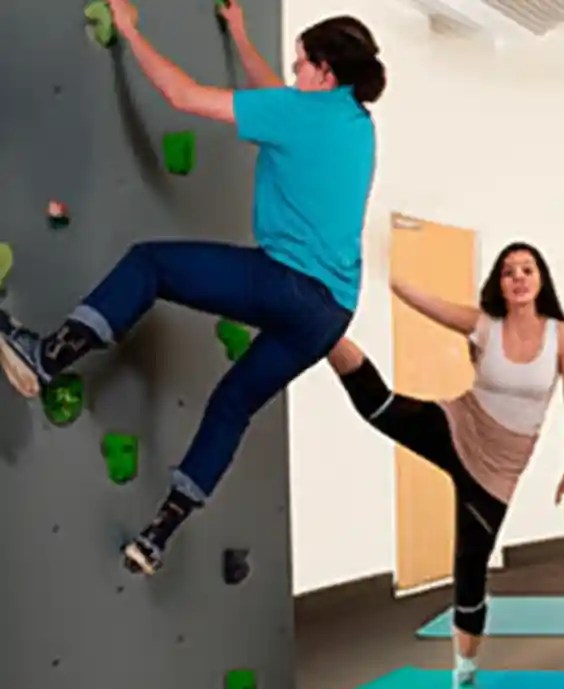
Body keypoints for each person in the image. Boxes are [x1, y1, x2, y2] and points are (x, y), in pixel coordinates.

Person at [0, 0, 383, 576]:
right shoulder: (353, 121)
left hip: (287, 284)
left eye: (302, 62)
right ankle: (158, 535)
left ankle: (49, 357)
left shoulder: (300, 112)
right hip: (331, 314)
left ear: (325, 71)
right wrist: (240, 35)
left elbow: (183, 95)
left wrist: (131, 30)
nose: (294, 70)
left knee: (150, 264)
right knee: (234, 404)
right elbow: (277, 93)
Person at [327, 241, 564, 689]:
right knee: (382, 407)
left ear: (541, 278)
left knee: (471, 564)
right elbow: (423, 302)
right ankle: (320, 329)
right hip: (458, 427)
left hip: (500, 469)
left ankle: (464, 677)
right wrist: (384, 265)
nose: (519, 278)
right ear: (500, 284)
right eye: (509, 272)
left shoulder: (563, 336)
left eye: (528, 269)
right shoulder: (484, 325)